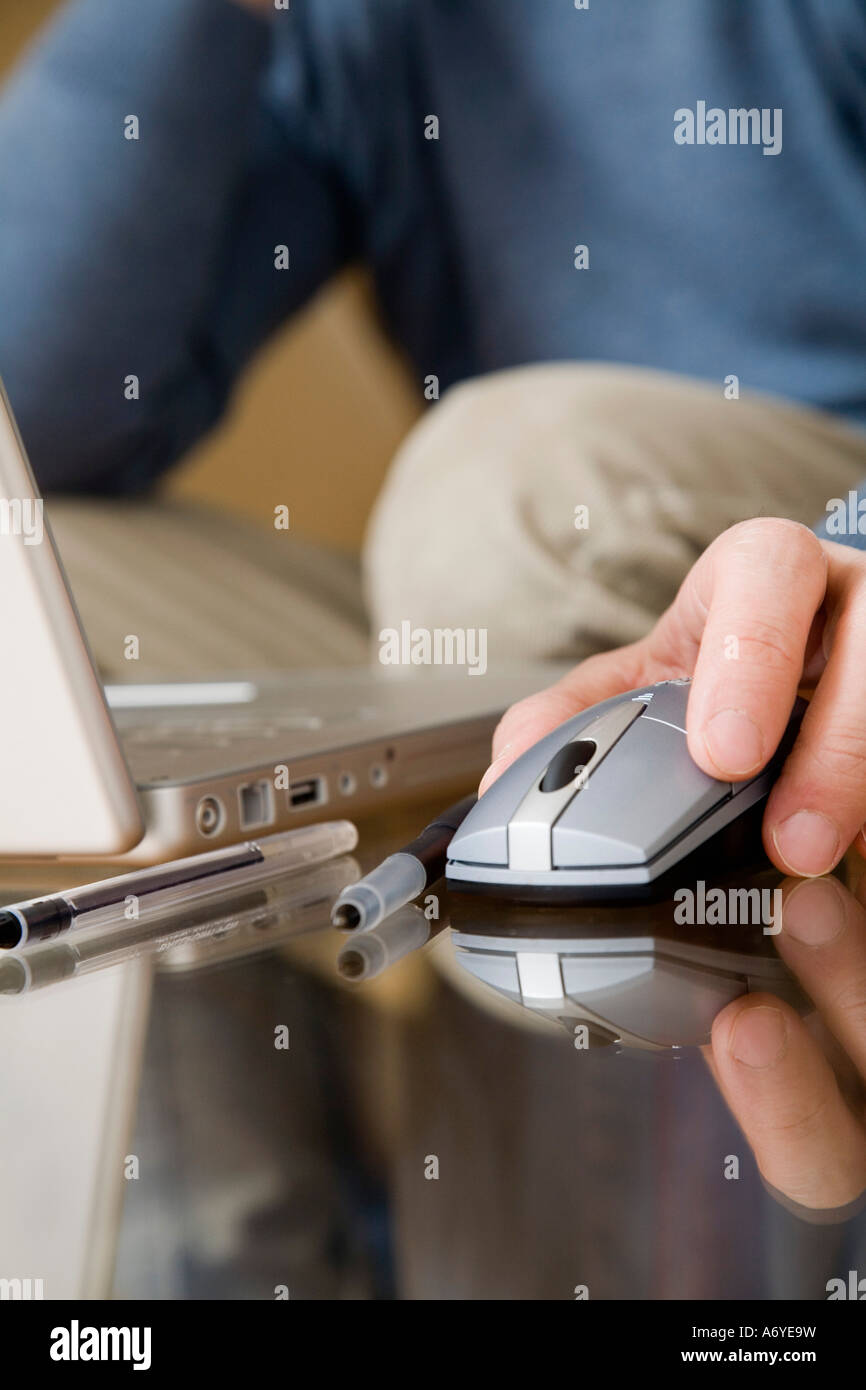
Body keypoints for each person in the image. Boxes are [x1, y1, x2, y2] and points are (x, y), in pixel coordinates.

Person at [2, 0, 866, 1271]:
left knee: (497, 487)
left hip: (780, 535)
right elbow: (36, 400)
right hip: (485, 614)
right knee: (33, 609)